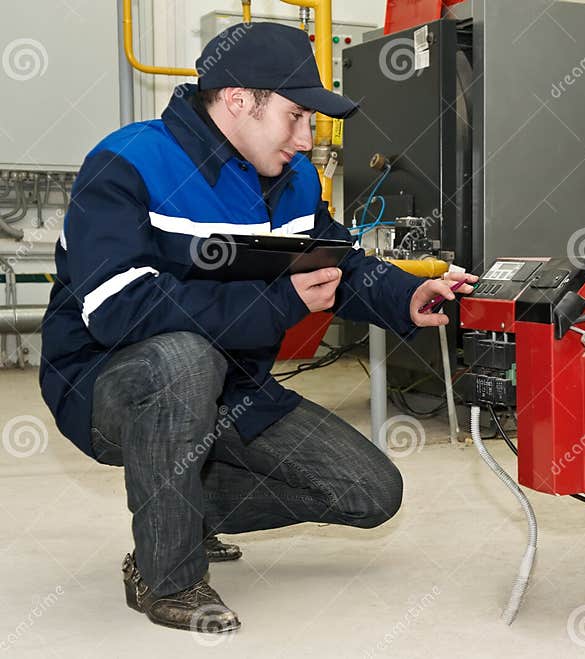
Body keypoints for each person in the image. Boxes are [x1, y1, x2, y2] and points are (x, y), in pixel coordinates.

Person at [38, 22, 475, 634]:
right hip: (105, 384)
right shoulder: (128, 163)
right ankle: (168, 577)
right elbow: (120, 310)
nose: (306, 139)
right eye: (295, 116)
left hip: (234, 386)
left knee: (370, 491)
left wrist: (406, 296)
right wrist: (276, 304)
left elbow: (337, 264)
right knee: (184, 358)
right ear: (239, 100)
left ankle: (175, 506)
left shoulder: (294, 180)